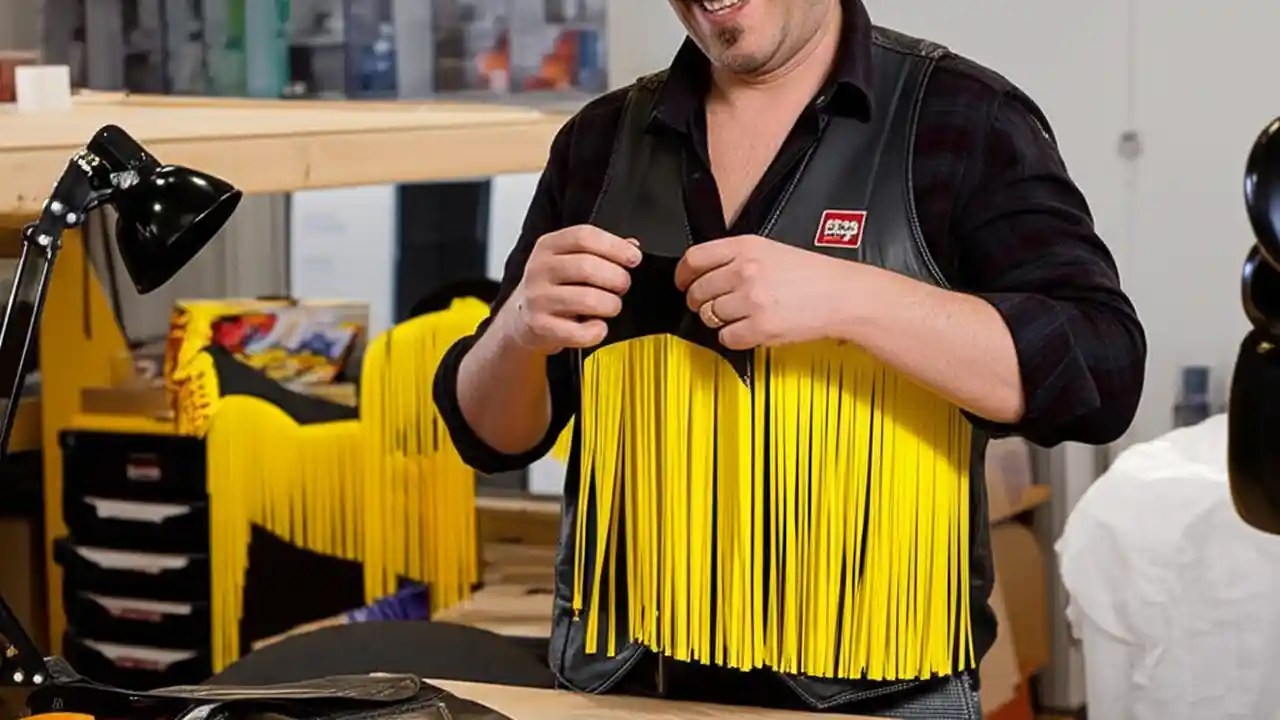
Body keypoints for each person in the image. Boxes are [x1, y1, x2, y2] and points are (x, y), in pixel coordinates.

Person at [433, 0, 1147, 715]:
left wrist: (855, 299)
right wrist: (518, 330)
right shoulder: (598, 141)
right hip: (624, 689)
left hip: (882, 695)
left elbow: (1100, 365)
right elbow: (494, 438)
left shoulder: (964, 120)